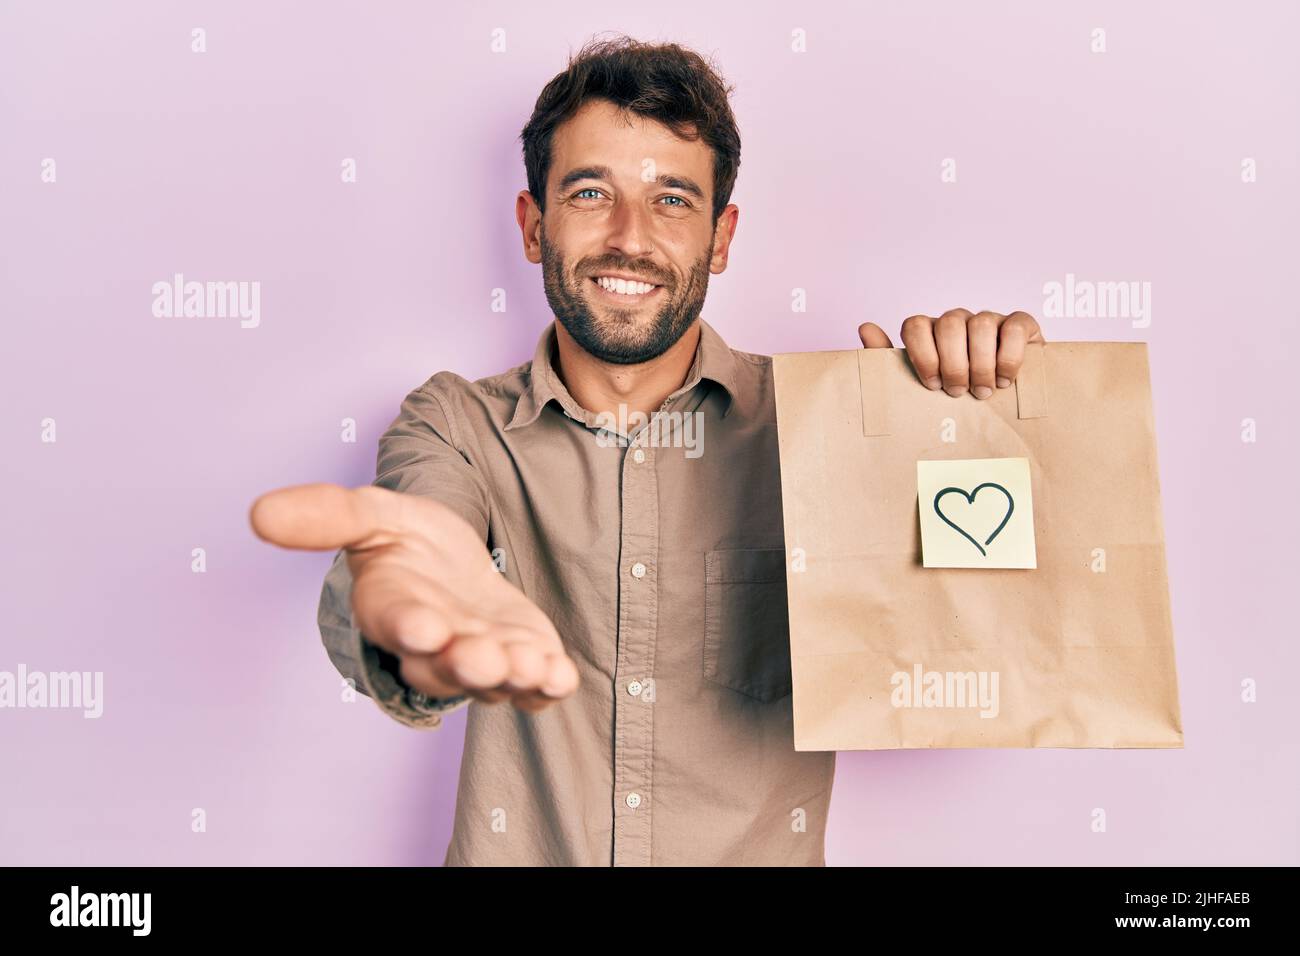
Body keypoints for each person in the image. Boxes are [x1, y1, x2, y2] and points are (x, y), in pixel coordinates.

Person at [249, 36, 1044, 866]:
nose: (630, 237)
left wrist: (979, 412)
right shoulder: (454, 423)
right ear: (533, 224)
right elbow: (419, 536)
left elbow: (965, 633)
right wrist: (408, 608)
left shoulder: (828, 426)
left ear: (721, 237)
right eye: (591, 191)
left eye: (672, 200)